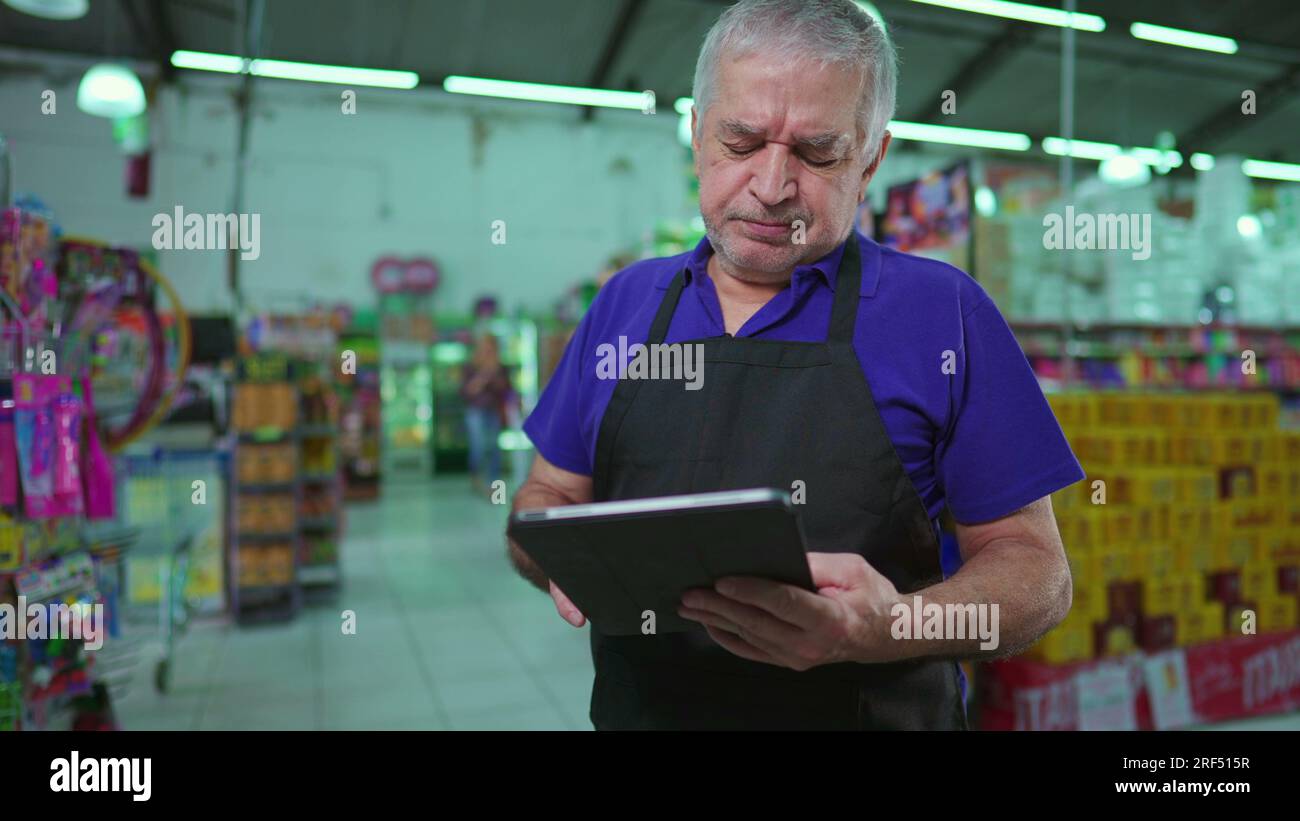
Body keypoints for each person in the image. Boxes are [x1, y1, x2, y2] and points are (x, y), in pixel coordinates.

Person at [508, 0, 1084, 730]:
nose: (773, 186)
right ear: (694, 132)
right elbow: (545, 492)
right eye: (741, 141)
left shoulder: (943, 314)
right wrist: (555, 548)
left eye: (817, 152)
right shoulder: (625, 307)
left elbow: (1036, 572)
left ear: (871, 158)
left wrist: (887, 627)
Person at [461, 333, 510, 496]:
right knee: (479, 446)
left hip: (493, 410)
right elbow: (466, 391)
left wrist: (494, 375)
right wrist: (483, 376)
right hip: (475, 410)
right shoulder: (471, 367)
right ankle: (476, 478)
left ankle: (495, 487)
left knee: (494, 448)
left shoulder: (500, 367)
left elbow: (506, 389)